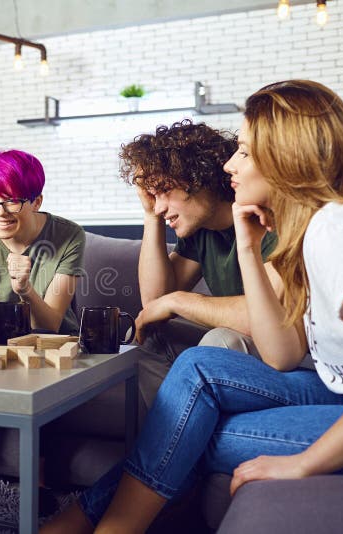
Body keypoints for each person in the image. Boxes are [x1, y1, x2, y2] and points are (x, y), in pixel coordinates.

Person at [42, 79, 343, 533]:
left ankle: (91, 523)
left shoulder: (341, 228)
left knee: (184, 434)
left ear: (287, 156)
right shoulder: (307, 227)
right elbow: (281, 353)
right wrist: (247, 247)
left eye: (244, 151)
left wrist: (302, 463)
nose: (229, 164)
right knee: (195, 374)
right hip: (333, 390)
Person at [0, 149, 85, 511]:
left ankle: (37, 479)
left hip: (49, 340)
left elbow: (50, 322)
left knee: (44, 364)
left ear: (36, 200)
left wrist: (25, 289)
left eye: (11, 201)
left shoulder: (67, 235)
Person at [121, 120, 283, 410]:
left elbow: (266, 318)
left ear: (201, 176)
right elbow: (154, 302)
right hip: (245, 349)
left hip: (283, 350)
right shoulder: (202, 230)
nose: (159, 206)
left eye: (164, 190)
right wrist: (150, 216)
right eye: (153, 196)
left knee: (221, 341)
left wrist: (179, 301)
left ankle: (184, 428)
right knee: (144, 340)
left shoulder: (267, 217)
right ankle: (184, 424)